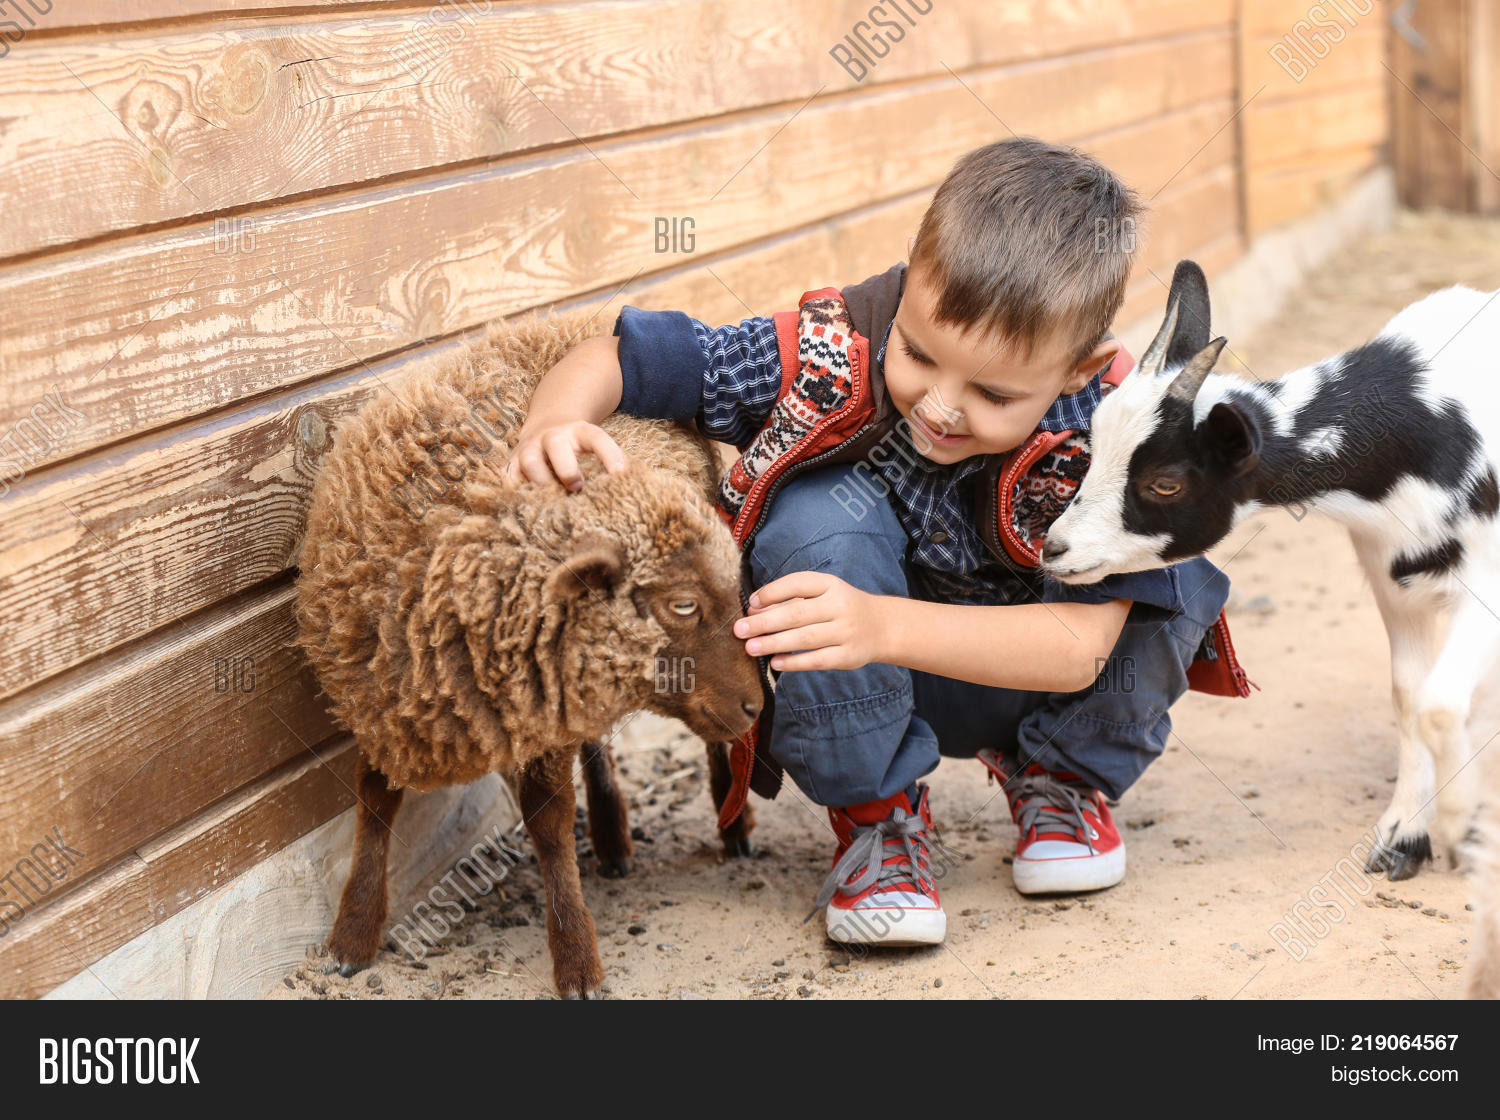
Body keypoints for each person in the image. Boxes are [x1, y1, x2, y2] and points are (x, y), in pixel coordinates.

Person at [504, 137, 1247, 946]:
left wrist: (885, 626)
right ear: (909, 289)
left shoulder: (1107, 433)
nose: (941, 406)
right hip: (868, 682)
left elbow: (1078, 650)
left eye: (994, 393)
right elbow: (623, 357)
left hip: (1037, 675)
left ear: (1079, 370)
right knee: (817, 514)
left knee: (1172, 576)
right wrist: (556, 418)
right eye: (921, 354)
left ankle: (1061, 779)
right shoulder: (833, 352)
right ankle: (877, 817)